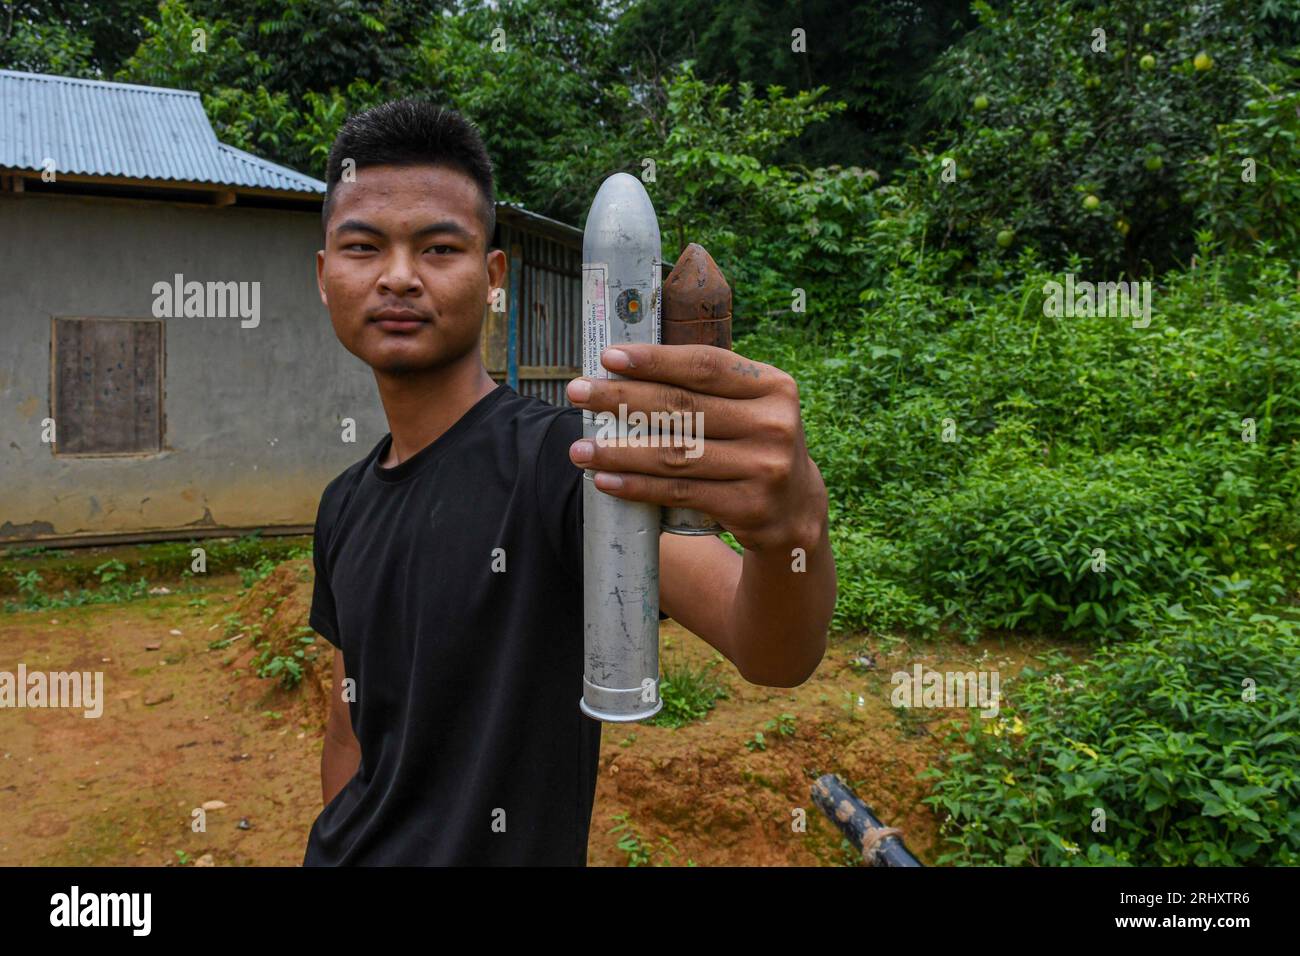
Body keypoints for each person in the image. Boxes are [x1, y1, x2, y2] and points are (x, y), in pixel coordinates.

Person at [302, 99, 836, 865]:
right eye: (363, 247)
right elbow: (351, 726)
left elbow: (771, 651)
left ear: (493, 278)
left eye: (438, 248)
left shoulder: (569, 465)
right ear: (325, 276)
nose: (398, 277)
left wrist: (794, 528)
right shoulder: (343, 502)